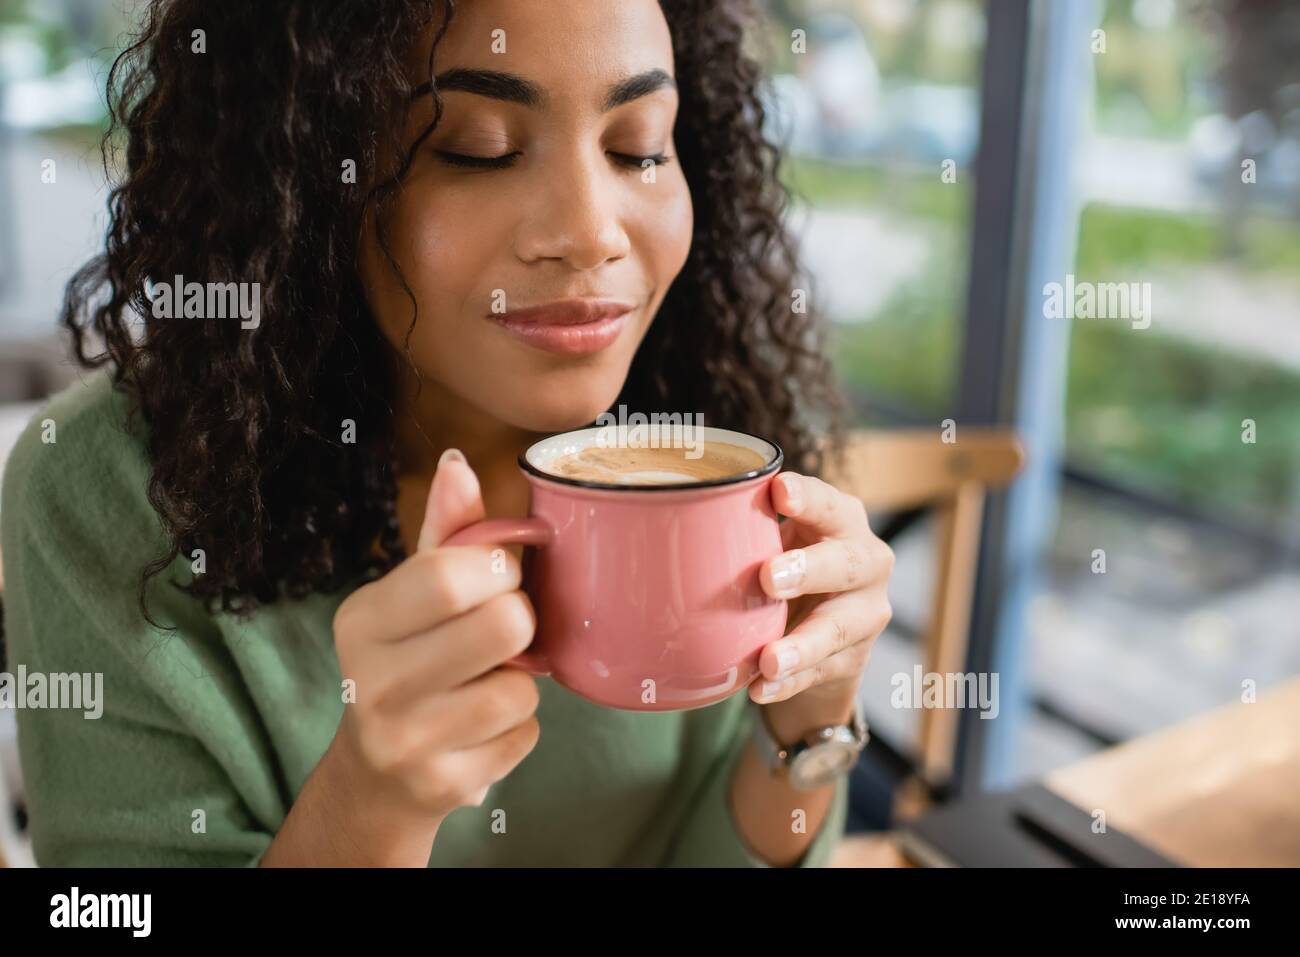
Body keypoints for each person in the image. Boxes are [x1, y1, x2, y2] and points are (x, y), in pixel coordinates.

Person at [0, 0, 893, 867]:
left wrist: (811, 718)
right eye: (481, 152)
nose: (589, 234)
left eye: (639, 147)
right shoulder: (110, 490)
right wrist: (369, 803)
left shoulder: (717, 437)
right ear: (307, 173)